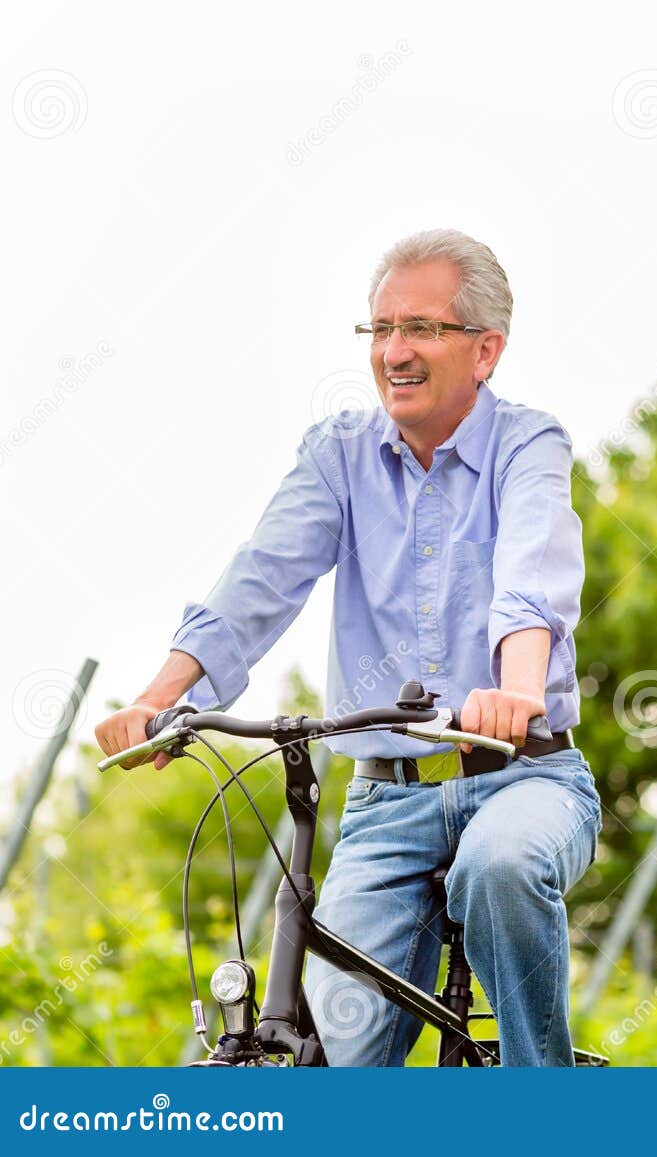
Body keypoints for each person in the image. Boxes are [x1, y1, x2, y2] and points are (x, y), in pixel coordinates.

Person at [93, 228, 600, 1066]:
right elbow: (260, 580)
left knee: (501, 867)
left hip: (525, 774)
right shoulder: (338, 454)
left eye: (422, 329)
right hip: (385, 802)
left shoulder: (528, 444)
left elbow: (530, 577)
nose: (394, 351)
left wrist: (516, 689)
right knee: (337, 1056)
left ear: (486, 350)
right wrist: (161, 697)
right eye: (380, 329)